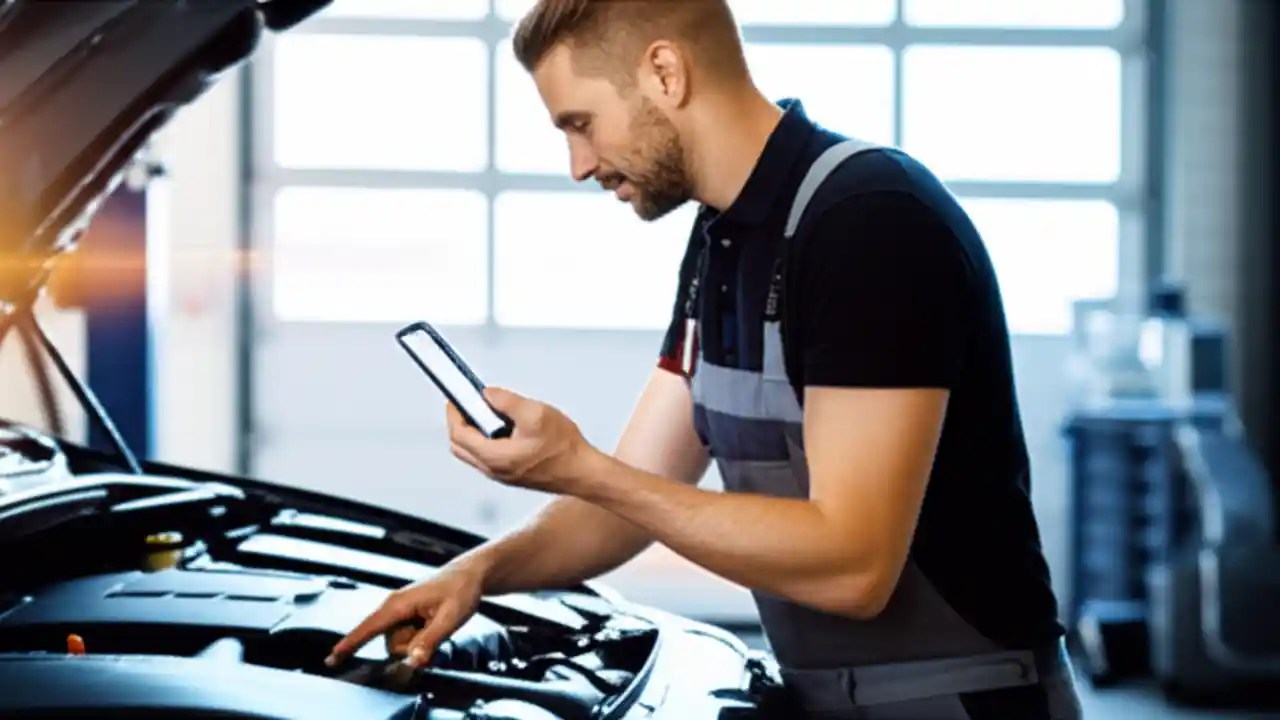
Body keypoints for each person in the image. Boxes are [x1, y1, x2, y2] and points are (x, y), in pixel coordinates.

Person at [328, 1, 1082, 716]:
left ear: (665, 73)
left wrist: (582, 466)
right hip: (824, 697)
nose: (577, 165)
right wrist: (476, 572)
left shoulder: (870, 224)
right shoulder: (722, 238)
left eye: (581, 124)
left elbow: (855, 568)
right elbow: (624, 508)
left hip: (964, 703)